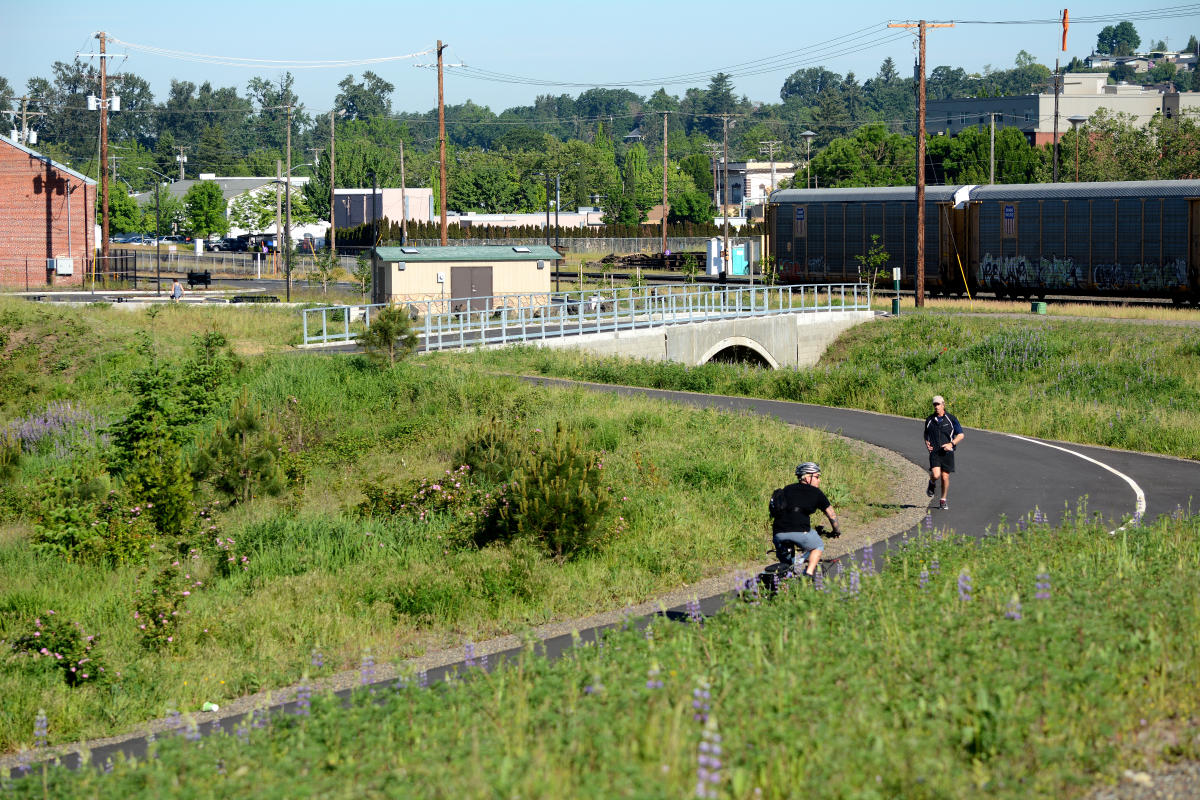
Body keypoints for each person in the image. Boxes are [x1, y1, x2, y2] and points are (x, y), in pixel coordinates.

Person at [769, 462, 841, 578]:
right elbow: (831, 514)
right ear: (807, 477)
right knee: (818, 546)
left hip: (778, 533)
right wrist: (836, 530)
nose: (819, 480)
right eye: (817, 477)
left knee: (787, 567)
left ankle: (785, 585)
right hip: (800, 531)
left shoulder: (787, 488)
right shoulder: (816, 492)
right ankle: (808, 574)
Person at [924, 395, 965, 510]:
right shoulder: (929, 419)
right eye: (934, 405)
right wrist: (927, 443)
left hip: (948, 453)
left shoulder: (951, 419)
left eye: (938, 404)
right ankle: (931, 483)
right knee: (936, 475)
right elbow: (926, 434)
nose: (936, 407)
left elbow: (961, 435)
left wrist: (951, 444)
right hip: (935, 453)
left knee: (945, 477)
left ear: (943, 405)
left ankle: (943, 500)